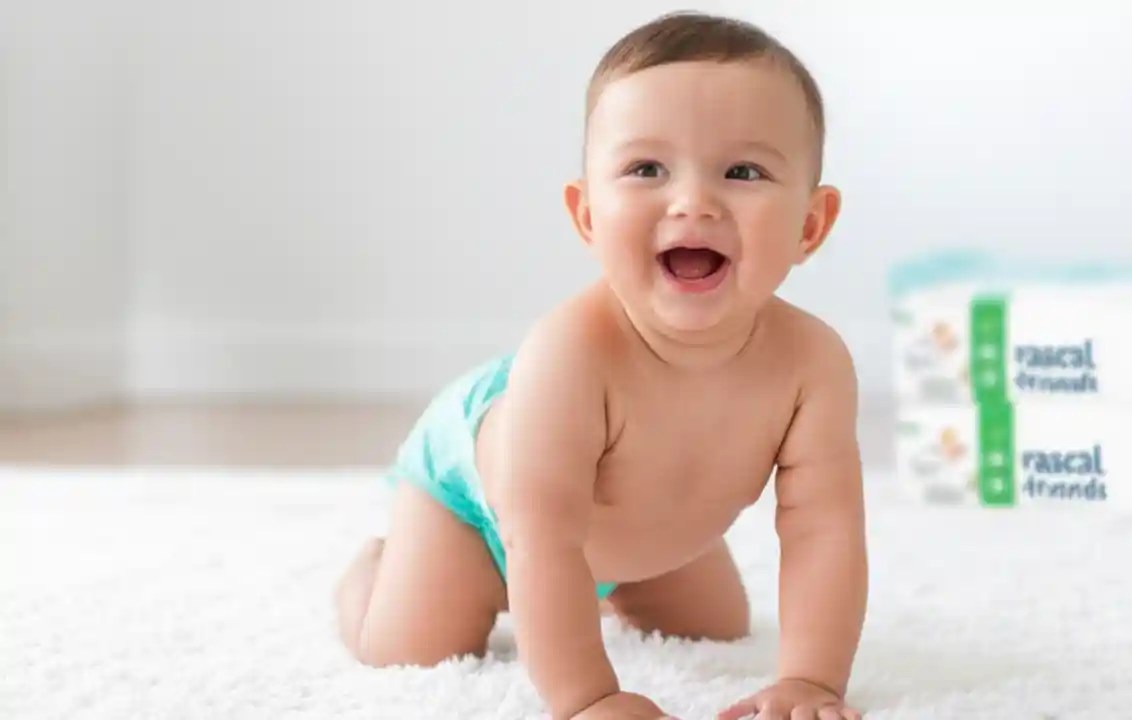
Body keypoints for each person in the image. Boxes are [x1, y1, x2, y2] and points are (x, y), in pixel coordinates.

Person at [335, 11, 867, 720]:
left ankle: (611, 583)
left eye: (743, 171)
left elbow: (824, 529)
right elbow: (543, 536)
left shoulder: (813, 363)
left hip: (641, 534)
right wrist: (589, 699)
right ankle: (377, 566)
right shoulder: (570, 355)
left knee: (714, 627)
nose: (693, 202)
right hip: (484, 504)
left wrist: (810, 680)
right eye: (647, 169)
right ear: (587, 216)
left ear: (810, 225)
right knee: (411, 643)